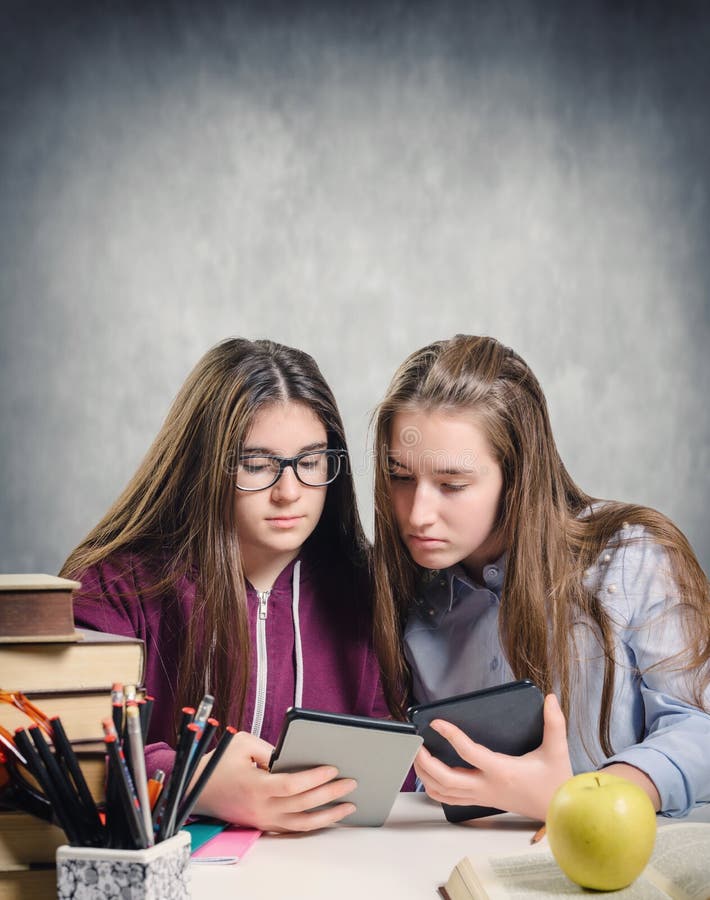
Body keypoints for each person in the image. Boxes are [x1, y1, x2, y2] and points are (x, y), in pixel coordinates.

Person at [371, 334, 710, 822]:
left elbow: (698, 727)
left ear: (518, 477)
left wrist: (581, 802)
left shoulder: (632, 558)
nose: (418, 515)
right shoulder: (411, 597)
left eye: (452, 485)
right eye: (400, 476)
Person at [61, 337, 390, 832]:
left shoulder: (367, 588)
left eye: (310, 462)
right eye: (256, 465)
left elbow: (392, 759)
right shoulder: (113, 587)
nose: (289, 492)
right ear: (203, 467)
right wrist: (198, 782)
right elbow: (69, 743)